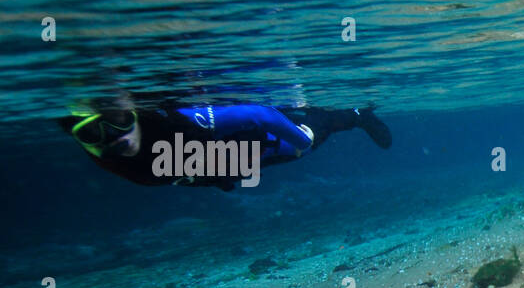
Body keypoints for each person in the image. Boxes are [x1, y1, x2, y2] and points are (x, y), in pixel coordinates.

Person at [60, 101, 392, 190]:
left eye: (117, 117)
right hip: (224, 161)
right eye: (92, 135)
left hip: (248, 143)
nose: (115, 135)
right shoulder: (116, 162)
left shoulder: (176, 120)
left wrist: (301, 137)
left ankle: (358, 115)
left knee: (305, 137)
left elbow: (258, 114)